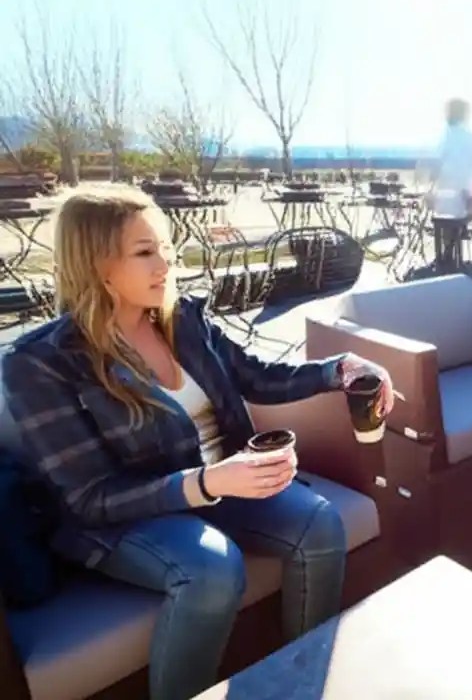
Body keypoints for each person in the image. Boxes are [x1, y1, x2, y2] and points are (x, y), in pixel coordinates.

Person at [3, 186, 396, 700]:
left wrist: (339, 370)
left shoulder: (182, 317)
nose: (166, 262)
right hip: (125, 516)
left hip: (220, 481)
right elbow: (90, 497)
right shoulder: (42, 363)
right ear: (96, 263)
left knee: (319, 521)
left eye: (165, 246)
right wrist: (207, 482)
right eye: (145, 252)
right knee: (212, 569)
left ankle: (297, 680)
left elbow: (256, 376)